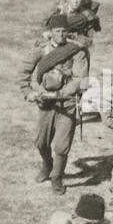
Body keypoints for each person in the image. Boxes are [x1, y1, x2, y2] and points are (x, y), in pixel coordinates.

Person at [20, 14, 88, 195]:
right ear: (50, 33)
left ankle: (57, 178)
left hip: (67, 105)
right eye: (57, 31)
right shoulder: (41, 50)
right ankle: (47, 165)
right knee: (41, 142)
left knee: (61, 146)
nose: (61, 34)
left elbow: (80, 78)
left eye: (64, 31)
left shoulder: (76, 51)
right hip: (45, 104)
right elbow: (24, 72)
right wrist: (29, 92)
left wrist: (62, 93)